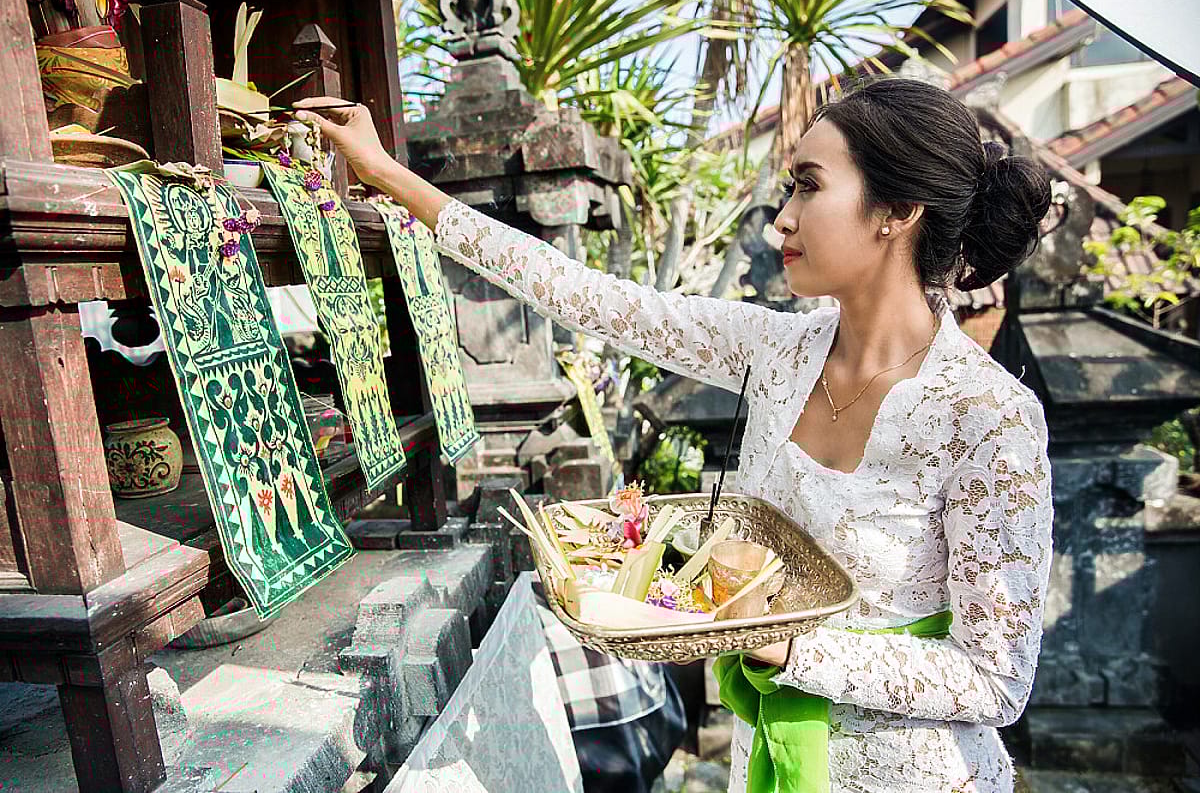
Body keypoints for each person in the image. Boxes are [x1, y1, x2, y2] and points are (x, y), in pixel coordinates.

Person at [295, 76, 1054, 792]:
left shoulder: (986, 416)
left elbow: (995, 677)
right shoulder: (775, 349)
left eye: (810, 184)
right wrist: (393, 177)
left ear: (898, 211)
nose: (782, 216)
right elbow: (585, 295)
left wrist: (794, 649)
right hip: (768, 753)